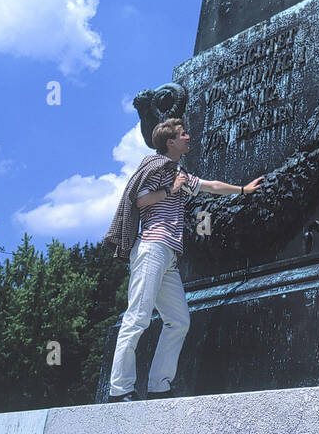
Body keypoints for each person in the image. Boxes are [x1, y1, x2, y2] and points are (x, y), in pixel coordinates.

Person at [105, 117, 263, 400]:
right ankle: (119, 389)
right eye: (183, 134)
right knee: (137, 318)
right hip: (151, 248)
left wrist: (243, 190)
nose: (189, 137)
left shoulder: (180, 172)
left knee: (178, 321)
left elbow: (211, 186)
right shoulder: (156, 167)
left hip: (169, 256)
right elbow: (139, 200)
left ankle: (159, 386)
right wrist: (171, 190)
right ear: (171, 142)